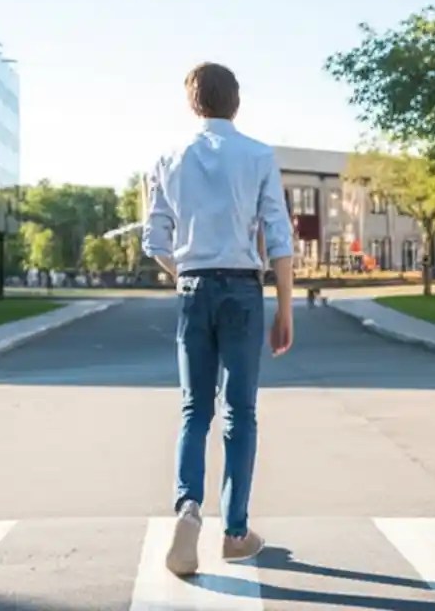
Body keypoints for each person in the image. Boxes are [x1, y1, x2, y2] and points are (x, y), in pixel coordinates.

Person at [142, 62, 295, 576]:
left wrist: (183, 274)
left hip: (194, 287)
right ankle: (234, 532)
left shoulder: (168, 157)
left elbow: (154, 240)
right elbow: (278, 235)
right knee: (241, 412)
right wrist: (286, 309)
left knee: (195, 409)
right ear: (237, 102)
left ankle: (187, 508)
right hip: (243, 291)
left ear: (192, 103)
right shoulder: (258, 155)